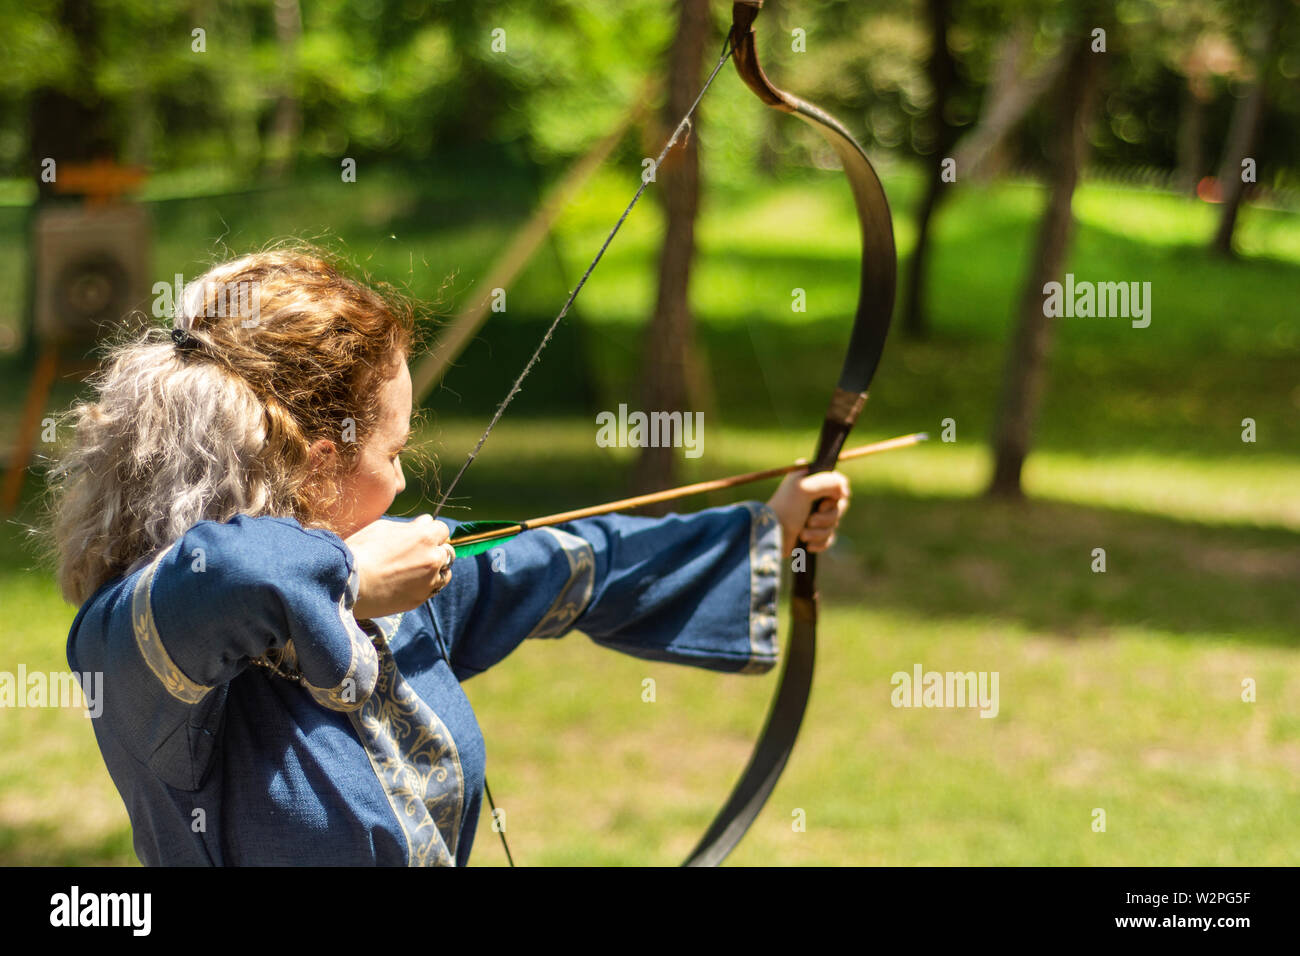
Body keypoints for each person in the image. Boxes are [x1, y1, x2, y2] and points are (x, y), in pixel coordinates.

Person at [49, 247, 850, 866]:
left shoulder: (397, 594)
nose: (403, 479)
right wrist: (355, 583)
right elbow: (231, 575)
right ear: (321, 464)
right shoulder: (140, 646)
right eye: (393, 451)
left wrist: (771, 528)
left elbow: (576, 561)